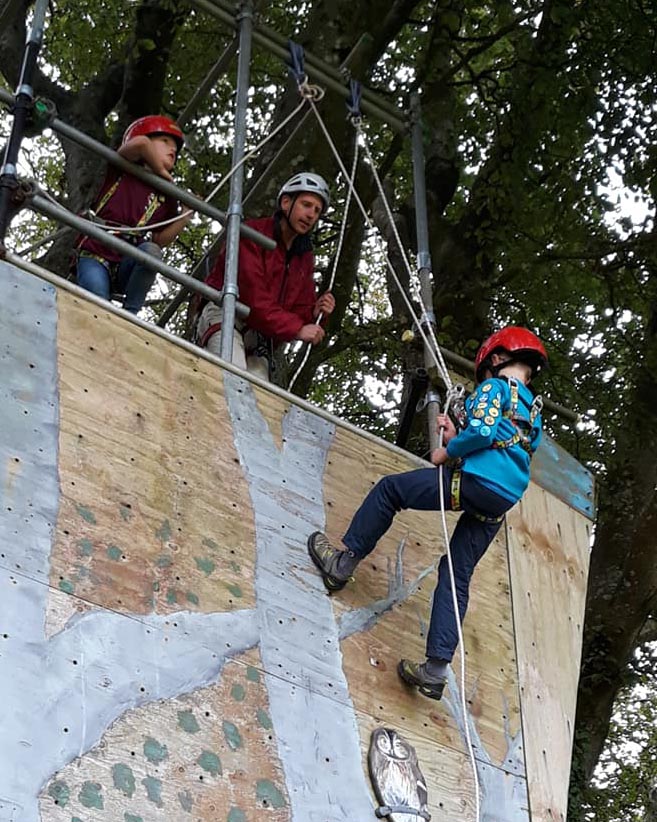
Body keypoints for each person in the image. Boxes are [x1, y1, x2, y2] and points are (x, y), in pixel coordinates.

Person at [307, 326, 547, 701]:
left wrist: (445, 452)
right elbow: (503, 443)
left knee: (390, 490)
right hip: (502, 500)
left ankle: (342, 564)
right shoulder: (532, 411)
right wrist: (457, 436)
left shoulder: (495, 389)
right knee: (457, 573)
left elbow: (483, 433)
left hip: (474, 481)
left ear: (496, 360)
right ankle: (435, 670)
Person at [196, 172, 336, 381]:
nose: (311, 215)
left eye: (317, 211)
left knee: (258, 393)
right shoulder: (253, 234)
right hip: (226, 313)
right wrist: (297, 328)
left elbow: (297, 307)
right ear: (286, 202)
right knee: (232, 377)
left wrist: (315, 312)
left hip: (259, 334)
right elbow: (251, 294)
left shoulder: (303, 257)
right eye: (306, 205)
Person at [76, 115, 192, 314]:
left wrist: (185, 216)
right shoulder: (123, 167)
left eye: (174, 147)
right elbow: (141, 143)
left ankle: (131, 315)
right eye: (165, 142)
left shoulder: (166, 197)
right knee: (97, 301)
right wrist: (162, 174)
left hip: (128, 258)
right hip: (97, 250)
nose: (172, 149)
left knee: (151, 251)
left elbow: (159, 239)